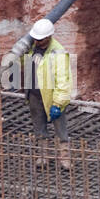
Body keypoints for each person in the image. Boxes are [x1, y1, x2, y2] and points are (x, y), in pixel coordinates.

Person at [22, 18, 72, 170]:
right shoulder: (31, 48)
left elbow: (64, 81)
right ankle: (43, 157)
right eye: (36, 39)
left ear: (49, 37)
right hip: (34, 95)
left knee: (60, 129)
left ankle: (64, 159)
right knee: (39, 128)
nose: (38, 42)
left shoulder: (58, 53)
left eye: (41, 39)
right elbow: (23, 64)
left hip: (51, 97)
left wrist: (58, 104)